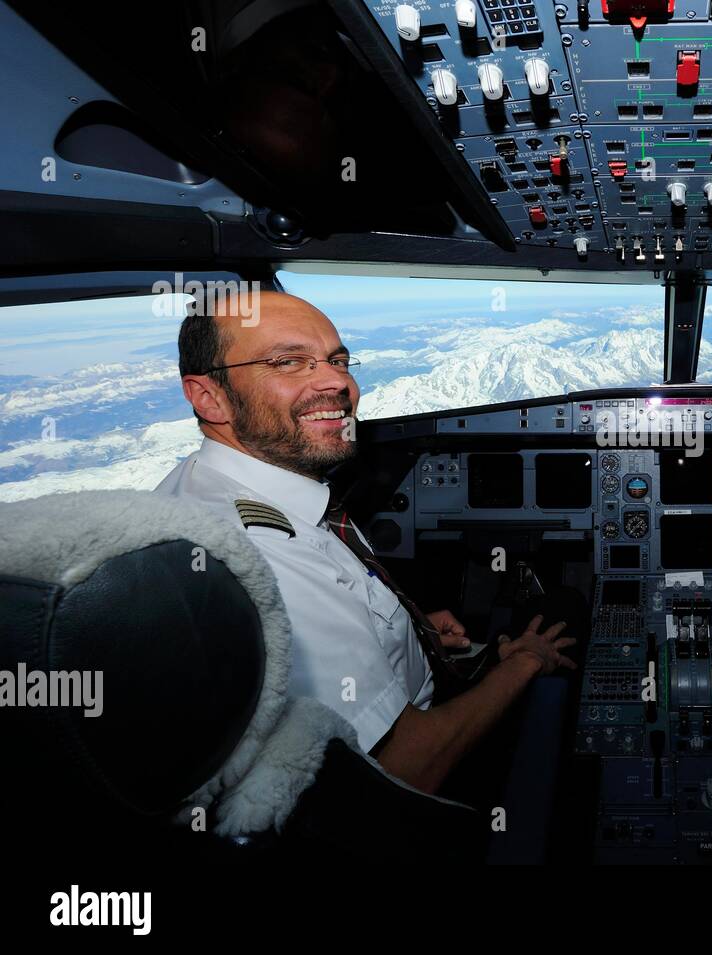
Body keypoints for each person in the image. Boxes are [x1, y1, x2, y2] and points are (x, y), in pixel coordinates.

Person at [155, 290, 576, 794]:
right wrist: (527, 663)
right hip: (422, 787)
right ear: (209, 397)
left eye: (337, 360)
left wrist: (407, 634)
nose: (336, 381)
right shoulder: (257, 556)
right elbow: (404, 768)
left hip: (426, 692)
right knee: (570, 621)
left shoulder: (240, 485)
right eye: (288, 362)